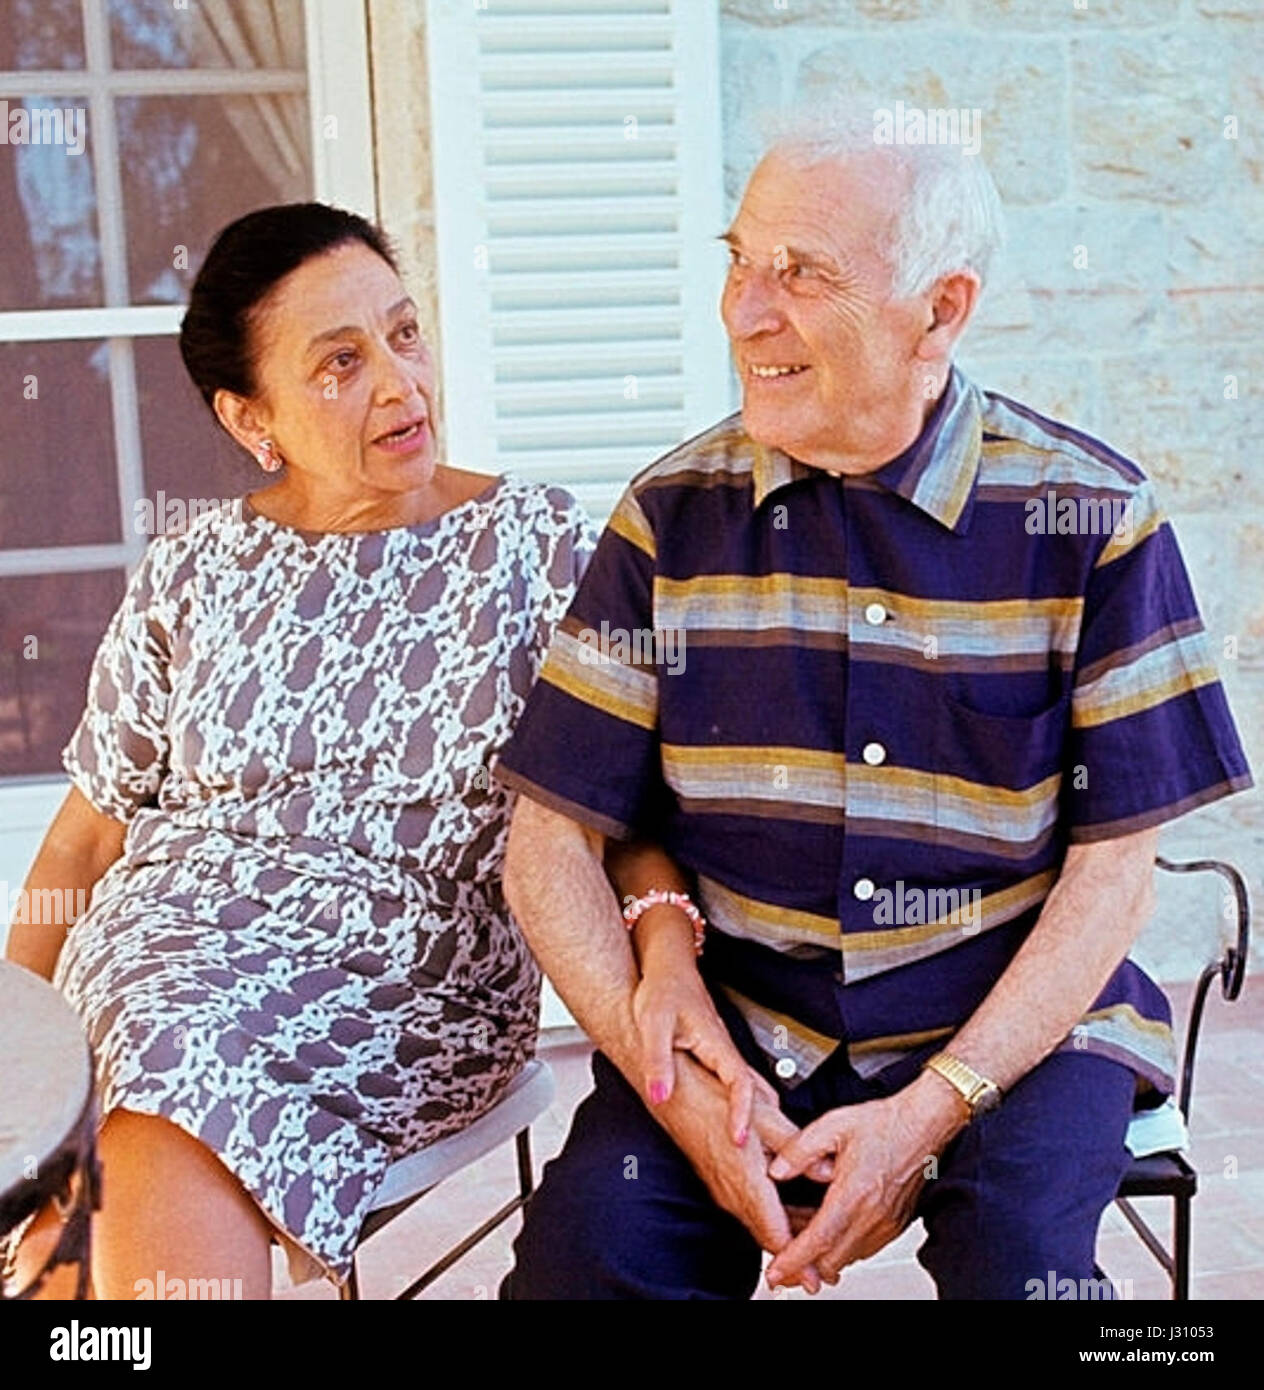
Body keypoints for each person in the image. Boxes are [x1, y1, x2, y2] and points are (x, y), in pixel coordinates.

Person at [491, 115, 1253, 1299]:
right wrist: (683, 1092)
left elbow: (1115, 878)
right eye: (740, 260)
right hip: (745, 1022)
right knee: (583, 1269)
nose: (746, 310)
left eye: (801, 274)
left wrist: (936, 1105)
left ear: (940, 311)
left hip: (1016, 1021)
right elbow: (549, 840)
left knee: (1023, 1275)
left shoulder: (1093, 517)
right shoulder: (669, 516)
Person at [2, 202, 594, 1299]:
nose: (400, 385)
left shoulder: (536, 543)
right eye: (339, 362)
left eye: (404, 333)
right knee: (120, 1086)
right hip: (160, 953)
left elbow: (625, 804)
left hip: (413, 987)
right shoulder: (195, 568)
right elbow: (86, 842)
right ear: (248, 415)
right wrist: (7, 1051)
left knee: (151, 1073)